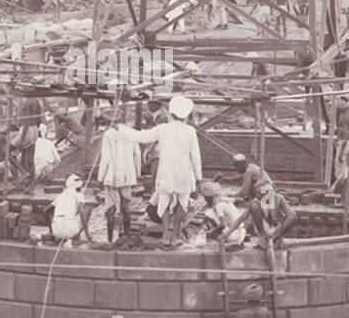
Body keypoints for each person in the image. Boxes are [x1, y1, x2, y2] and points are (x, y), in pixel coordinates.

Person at [119, 92, 202, 247]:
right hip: (184, 171)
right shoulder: (190, 131)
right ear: (186, 114)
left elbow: (141, 137)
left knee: (164, 201)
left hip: (167, 171)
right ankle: (175, 235)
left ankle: (165, 234)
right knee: (183, 203)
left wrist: (122, 129)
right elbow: (195, 156)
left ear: (171, 113)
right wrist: (199, 178)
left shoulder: (163, 129)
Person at [97, 111, 142, 243]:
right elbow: (137, 155)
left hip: (112, 174)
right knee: (125, 206)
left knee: (110, 207)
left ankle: (110, 239)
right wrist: (137, 173)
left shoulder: (108, 135)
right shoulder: (131, 132)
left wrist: (101, 177)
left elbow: (105, 158)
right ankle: (126, 236)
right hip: (128, 174)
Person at [246, 180, 296, 247]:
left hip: (275, 227)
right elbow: (242, 218)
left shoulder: (279, 198)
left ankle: (278, 238)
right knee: (255, 207)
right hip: (264, 227)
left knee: (294, 215)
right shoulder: (257, 201)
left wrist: (276, 232)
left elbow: (291, 216)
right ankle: (263, 237)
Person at [201, 180, 247, 247]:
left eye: (205, 198)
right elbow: (240, 200)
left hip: (236, 236)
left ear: (210, 197)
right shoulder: (224, 199)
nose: (205, 200)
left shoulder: (218, 205)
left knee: (208, 214)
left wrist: (211, 232)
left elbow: (222, 225)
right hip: (242, 232)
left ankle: (219, 243)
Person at [49, 174, 87, 246]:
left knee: (68, 214)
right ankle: (75, 239)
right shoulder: (79, 195)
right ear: (78, 186)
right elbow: (82, 212)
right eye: (80, 186)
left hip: (56, 231)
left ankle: (59, 237)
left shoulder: (60, 195)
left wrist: (51, 227)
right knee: (87, 211)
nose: (81, 188)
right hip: (70, 230)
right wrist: (88, 235)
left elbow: (45, 210)